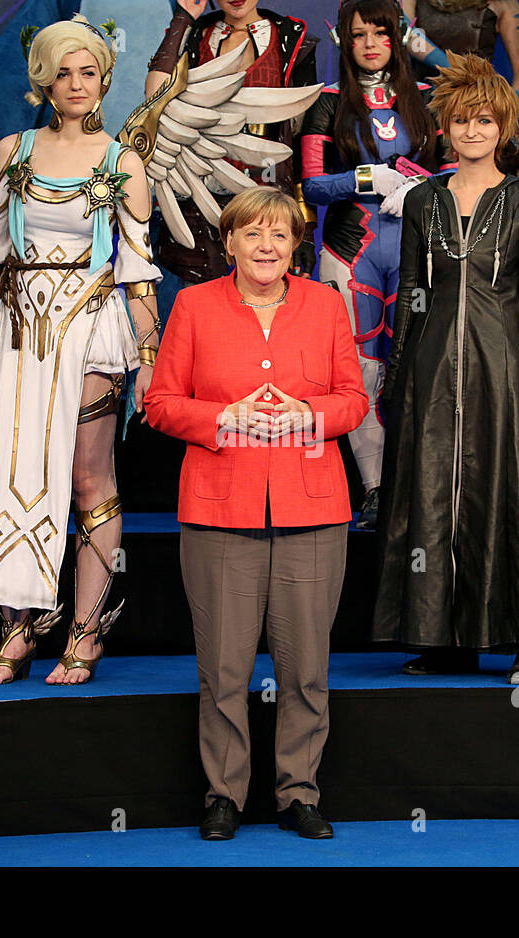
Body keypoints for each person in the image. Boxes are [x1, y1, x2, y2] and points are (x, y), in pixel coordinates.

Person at [144, 186, 368, 840]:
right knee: (224, 669)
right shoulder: (192, 306)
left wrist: (311, 415)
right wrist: (223, 418)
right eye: (252, 234)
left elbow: (353, 400)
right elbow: (160, 403)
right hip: (219, 510)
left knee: (306, 669)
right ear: (230, 242)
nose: (266, 246)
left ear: (295, 244)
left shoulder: (326, 306)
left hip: (314, 508)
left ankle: (299, 793)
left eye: (279, 235)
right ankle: (225, 797)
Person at [0, 17, 162, 686]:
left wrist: (149, 359)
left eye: (88, 72)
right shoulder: (13, 149)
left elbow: (137, 267)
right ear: (43, 79)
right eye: (63, 72)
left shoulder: (120, 162)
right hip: (11, 334)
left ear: (103, 80)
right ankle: (15, 631)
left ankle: (85, 631)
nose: (75, 83)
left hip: (91, 330)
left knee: (89, 482)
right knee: (6, 475)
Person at [372, 52, 519, 680]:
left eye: (485, 121)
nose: (473, 131)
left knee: (514, 494)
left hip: (502, 367)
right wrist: (396, 375)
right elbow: (410, 290)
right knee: (433, 497)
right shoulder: (422, 201)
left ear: (503, 128)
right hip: (430, 368)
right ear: (443, 126)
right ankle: (444, 638)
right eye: (462, 121)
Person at [301, 0, 450, 528]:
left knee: (421, 369)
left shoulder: (429, 97)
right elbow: (313, 186)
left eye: (381, 34)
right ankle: (375, 490)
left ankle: (422, 489)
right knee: (358, 374)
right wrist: (368, 180)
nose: (370, 44)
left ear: (399, 37)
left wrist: (418, 187)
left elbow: (459, 171)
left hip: (418, 249)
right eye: (359, 34)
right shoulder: (327, 102)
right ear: (344, 40)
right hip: (349, 254)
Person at [145, 0, 318, 284]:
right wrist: (183, 17)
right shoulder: (195, 33)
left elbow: (300, 141)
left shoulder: (292, 37)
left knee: (263, 313)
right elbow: (155, 99)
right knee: (202, 311)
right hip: (198, 199)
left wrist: (305, 228)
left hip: (267, 197)